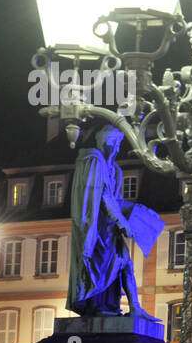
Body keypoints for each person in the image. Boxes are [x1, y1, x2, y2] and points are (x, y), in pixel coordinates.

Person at [68, 124, 158, 319]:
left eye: (118, 144)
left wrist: (138, 211)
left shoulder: (113, 169)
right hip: (96, 229)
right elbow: (102, 195)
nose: (117, 148)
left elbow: (115, 200)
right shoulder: (93, 161)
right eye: (115, 143)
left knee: (125, 263)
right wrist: (122, 222)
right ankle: (99, 306)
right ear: (105, 142)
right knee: (109, 266)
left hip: (109, 230)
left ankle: (134, 307)